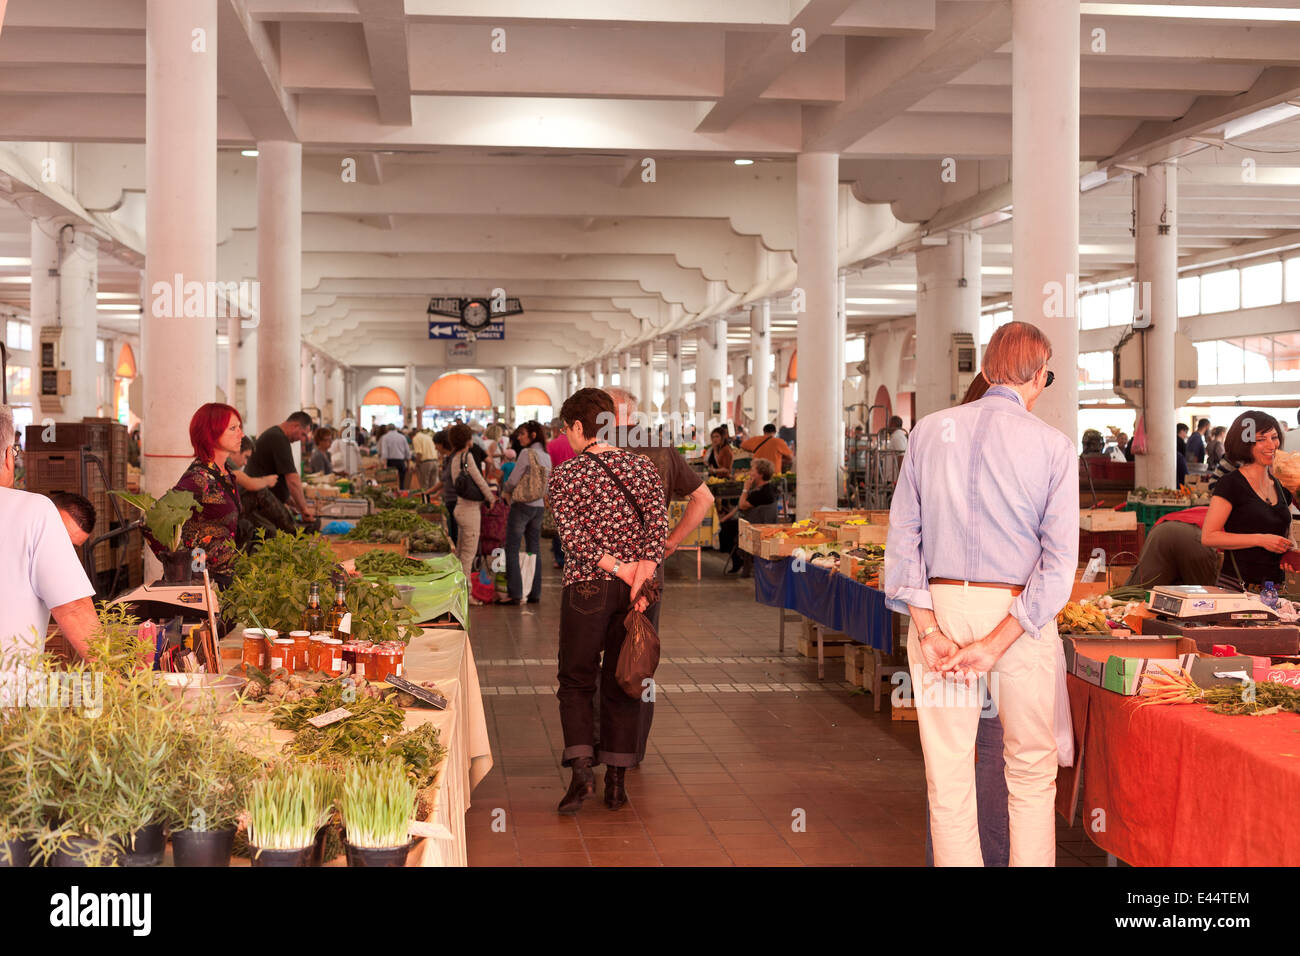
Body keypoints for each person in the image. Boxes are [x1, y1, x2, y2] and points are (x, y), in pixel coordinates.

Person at [883, 321, 1078, 867]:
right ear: (1039, 376)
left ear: (987, 370)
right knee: (1031, 771)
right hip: (1018, 616)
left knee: (947, 774)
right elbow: (1059, 563)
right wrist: (997, 642)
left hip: (940, 608)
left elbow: (903, 541)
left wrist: (928, 630)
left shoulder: (928, 431)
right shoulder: (1054, 447)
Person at [548, 388, 667, 813]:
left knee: (577, 680)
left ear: (579, 427)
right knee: (625, 677)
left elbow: (573, 540)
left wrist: (617, 568)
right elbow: (658, 529)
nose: (568, 439)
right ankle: (617, 782)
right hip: (639, 593)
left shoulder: (566, 475)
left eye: (568, 431)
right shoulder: (644, 468)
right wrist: (640, 574)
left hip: (587, 587)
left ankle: (582, 773)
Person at [605, 385, 714, 764]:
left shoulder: (589, 449)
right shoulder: (660, 449)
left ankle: (597, 748)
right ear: (632, 415)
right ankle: (630, 751)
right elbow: (704, 498)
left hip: (598, 575)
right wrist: (671, 541)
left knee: (595, 660)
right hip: (648, 578)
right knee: (638, 660)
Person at [0, 404, 98, 666]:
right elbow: (74, 609)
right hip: (10, 694)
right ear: (8, 456)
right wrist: (123, 680)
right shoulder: (33, 510)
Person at [1202, 410, 1300, 590]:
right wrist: (1261, 540)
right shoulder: (1230, 484)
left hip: (1274, 591)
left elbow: (1288, 534)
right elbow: (1209, 536)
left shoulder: (1281, 485)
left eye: (1274, 437)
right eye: (1261, 439)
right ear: (1244, 444)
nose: (1272, 445)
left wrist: (1290, 551)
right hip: (1237, 588)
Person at [158, 403, 245, 590]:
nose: (241, 434)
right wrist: (174, 562)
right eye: (233, 428)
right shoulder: (198, 478)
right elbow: (152, 519)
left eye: (240, 427)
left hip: (225, 575)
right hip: (202, 579)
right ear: (211, 433)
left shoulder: (226, 472)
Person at [501, 421, 551, 605]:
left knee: (512, 548)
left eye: (522, 434)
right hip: (538, 507)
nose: (519, 437)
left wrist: (505, 488)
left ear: (533, 435)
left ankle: (515, 593)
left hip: (522, 505)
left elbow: (513, 479)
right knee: (534, 549)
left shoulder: (526, 453)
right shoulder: (546, 455)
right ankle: (534, 593)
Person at [449, 422, 497, 595]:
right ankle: (467, 596)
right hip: (470, 512)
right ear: (468, 440)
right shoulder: (467, 457)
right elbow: (479, 481)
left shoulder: (454, 458)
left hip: (460, 508)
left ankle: (458, 592)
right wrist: (491, 498)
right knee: (468, 557)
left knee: (461, 555)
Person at [245, 411, 315, 521]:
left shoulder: (277, 436)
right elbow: (292, 480)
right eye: (303, 434)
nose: (302, 439)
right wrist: (304, 509)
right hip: (256, 502)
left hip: (260, 499)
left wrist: (290, 501)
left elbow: (275, 474)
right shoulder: (278, 438)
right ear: (295, 426)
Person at [718, 458, 778, 575]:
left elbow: (741, 505)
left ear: (760, 474)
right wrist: (725, 518)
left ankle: (740, 559)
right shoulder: (768, 489)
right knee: (725, 525)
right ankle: (740, 559)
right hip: (759, 522)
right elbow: (739, 507)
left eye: (752, 470)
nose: (750, 472)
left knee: (723, 530)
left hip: (754, 526)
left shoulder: (761, 493)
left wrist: (745, 488)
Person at [547, 422, 576, 569]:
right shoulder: (576, 443)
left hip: (558, 487)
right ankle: (573, 556)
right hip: (576, 486)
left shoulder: (551, 445)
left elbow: (548, 468)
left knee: (559, 524)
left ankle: (559, 558)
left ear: (555, 429)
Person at [432, 430, 458, 546]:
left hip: (456, 501)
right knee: (452, 532)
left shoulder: (455, 459)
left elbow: (448, 481)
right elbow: (445, 481)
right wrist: (434, 493)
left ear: (442, 444)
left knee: (456, 533)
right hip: (449, 500)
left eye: (436, 444)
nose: (435, 448)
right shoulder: (448, 459)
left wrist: (431, 492)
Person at [379, 421, 412, 490]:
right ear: (395, 429)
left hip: (390, 462)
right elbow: (407, 452)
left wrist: (384, 465)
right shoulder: (402, 437)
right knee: (402, 482)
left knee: (390, 483)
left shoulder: (385, 437)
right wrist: (408, 465)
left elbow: (385, 452)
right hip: (401, 462)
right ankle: (402, 495)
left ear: (387, 430)